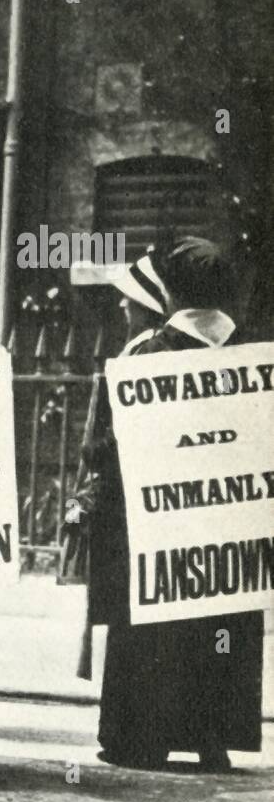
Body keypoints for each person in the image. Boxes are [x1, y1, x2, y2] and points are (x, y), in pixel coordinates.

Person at [74, 237, 262, 771]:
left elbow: (105, 447)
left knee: (154, 630)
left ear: (173, 293)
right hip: (227, 527)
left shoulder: (151, 352)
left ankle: (141, 737)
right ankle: (212, 736)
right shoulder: (251, 352)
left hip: (153, 527)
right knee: (219, 628)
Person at [66, 250, 166, 675]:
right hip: (123, 499)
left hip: (121, 502)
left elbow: (119, 433)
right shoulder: (135, 349)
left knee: (123, 613)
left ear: (146, 306)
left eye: (130, 298)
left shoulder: (144, 353)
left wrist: (94, 452)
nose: (123, 305)